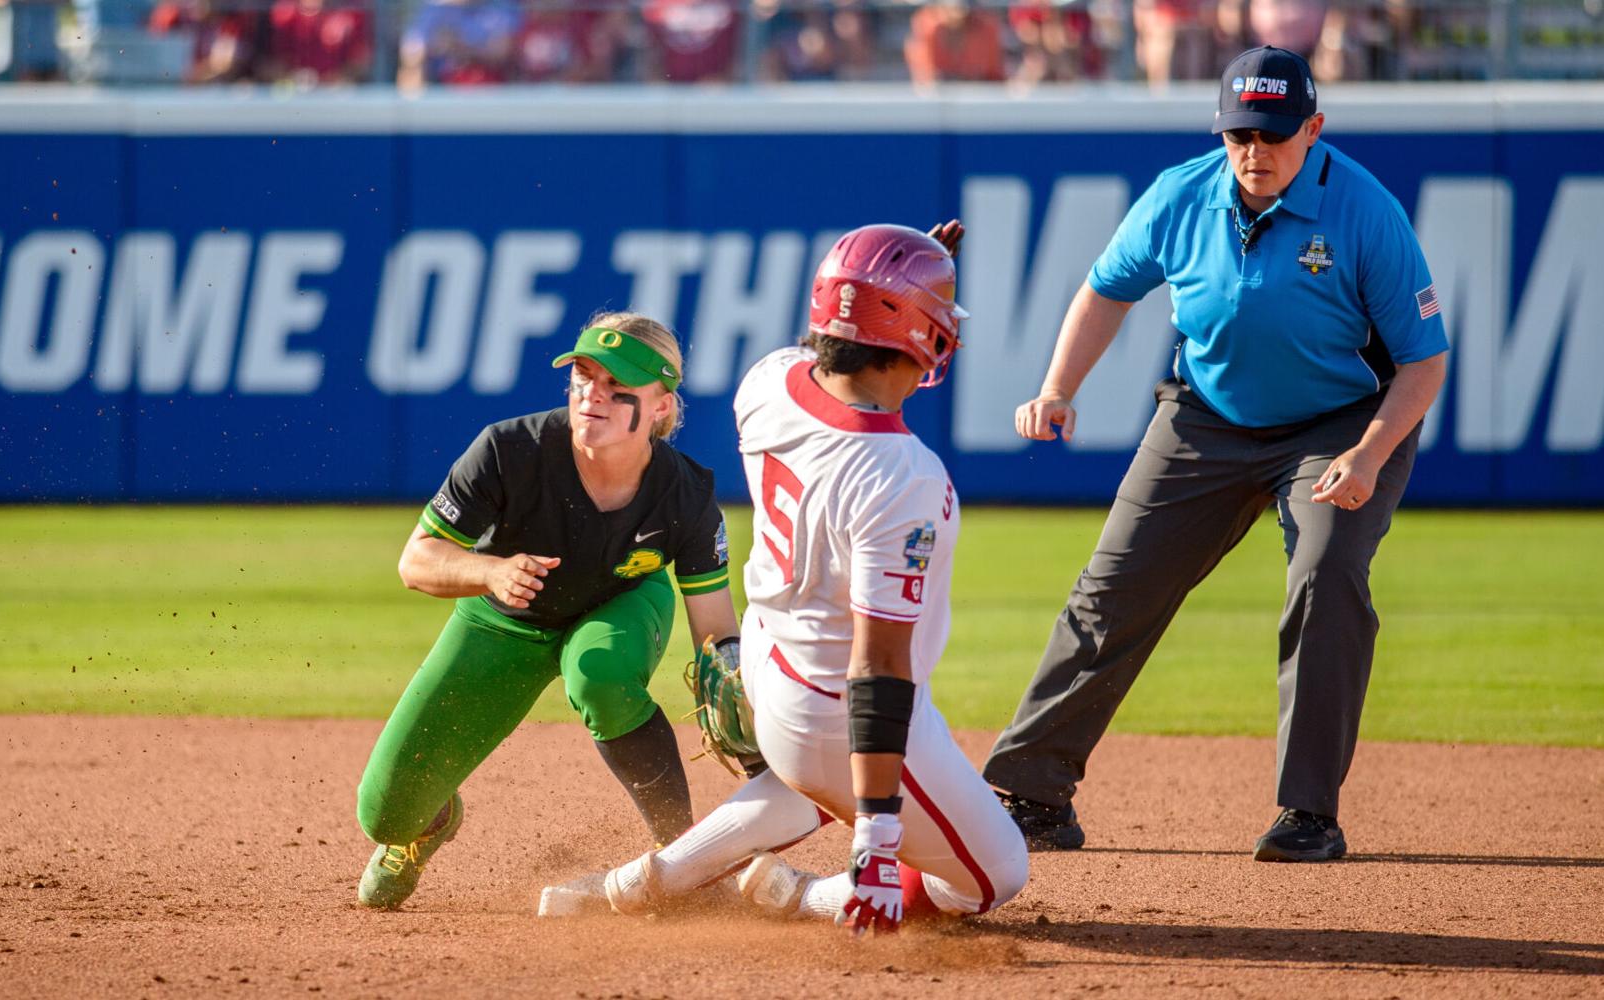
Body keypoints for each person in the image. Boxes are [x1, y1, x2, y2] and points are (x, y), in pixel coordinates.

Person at [982, 46, 1449, 863]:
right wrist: (1058, 386)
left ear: (1313, 128)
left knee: (1325, 574)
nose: (1253, 152)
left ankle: (1308, 814)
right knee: (1112, 586)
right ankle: (1031, 792)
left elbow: (1422, 360)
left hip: (1337, 425)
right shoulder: (1180, 194)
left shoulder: (1364, 212)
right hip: (1203, 419)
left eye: (1272, 133)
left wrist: (1371, 454)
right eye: (1238, 133)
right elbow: (1105, 288)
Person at [542, 223, 1030, 933]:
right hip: (836, 705)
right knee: (994, 876)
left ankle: (636, 883)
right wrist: (876, 842)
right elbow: (879, 668)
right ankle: (805, 896)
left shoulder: (767, 381)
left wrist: (878, 288)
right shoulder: (903, 475)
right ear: (918, 333)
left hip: (768, 663)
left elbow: (833, 349)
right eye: (935, 311)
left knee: (813, 785)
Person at [354, 311, 740, 909]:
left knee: (601, 675)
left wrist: (734, 692)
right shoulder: (509, 450)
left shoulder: (686, 491)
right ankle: (428, 825)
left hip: (621, 602)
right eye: (584, 377)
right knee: (384, 815)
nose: (595, 396)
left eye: (620, 389)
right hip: (504, 615)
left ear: (661, 406)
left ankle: (683, 854)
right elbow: (417, 560)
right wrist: (489, 570)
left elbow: (716, 632)